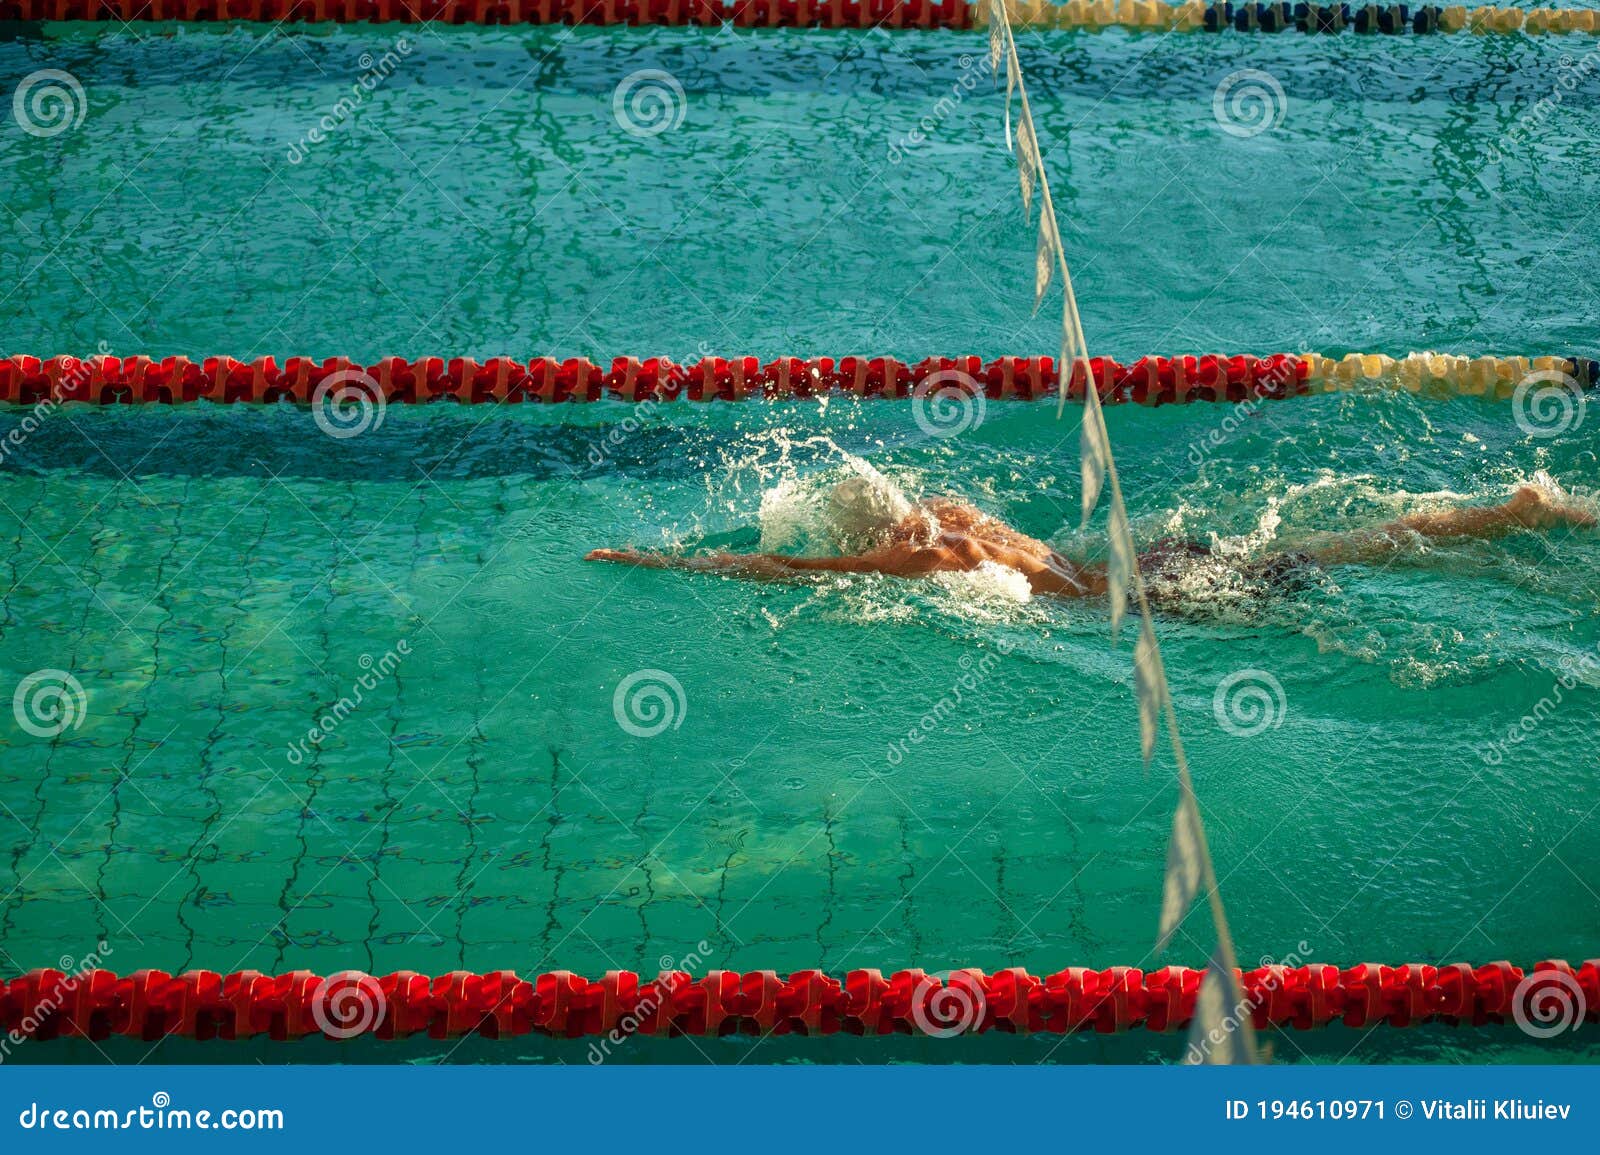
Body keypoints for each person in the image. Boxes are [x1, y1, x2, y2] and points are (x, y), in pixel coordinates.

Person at [585, 475, 1595, 604]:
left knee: (1340, 558)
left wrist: (664, 561)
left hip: (1153, 600)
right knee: (1340, 540)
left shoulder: (929, 555)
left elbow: (784, 569)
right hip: (1150, 561)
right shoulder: (959, 519)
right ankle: (1504, 515)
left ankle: (1508, 522)